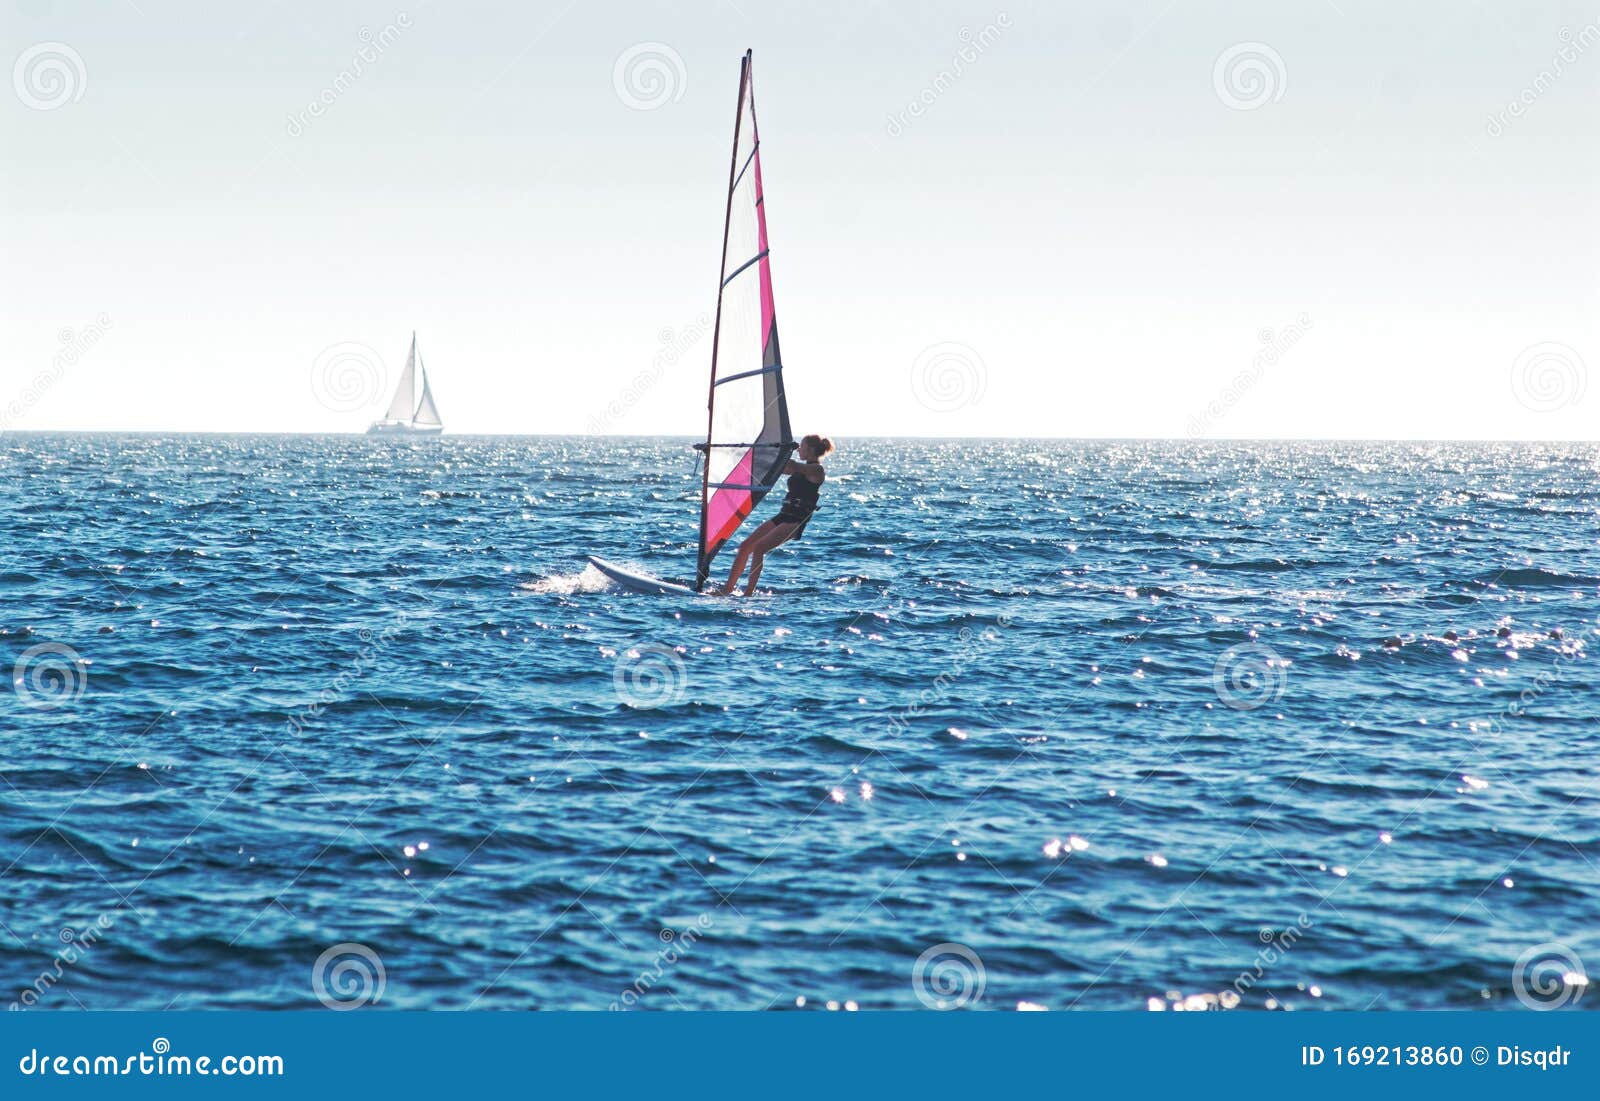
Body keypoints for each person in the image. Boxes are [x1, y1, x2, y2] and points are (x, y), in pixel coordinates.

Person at [718, 434, 833, 595]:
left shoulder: (816, 470)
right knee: (745, 547)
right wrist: (744, 453)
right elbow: (780, 466)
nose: (799, 449)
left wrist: (784, 450)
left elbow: (793, 465)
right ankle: (727, 589)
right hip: (783, 516)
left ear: (811, 449)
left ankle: (748, 594)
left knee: (759, 548)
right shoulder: (800, 469)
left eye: (802, 446)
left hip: (795, 521)